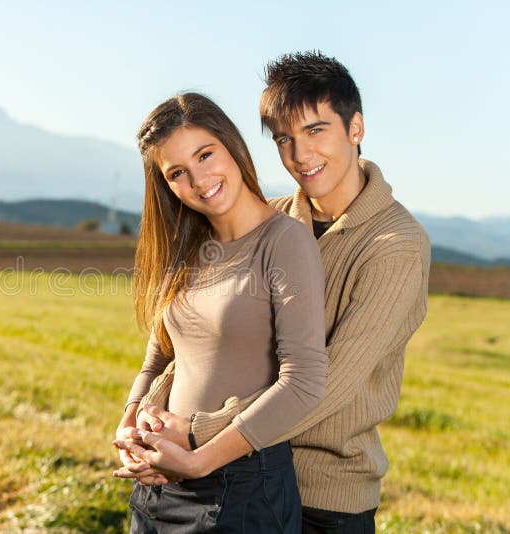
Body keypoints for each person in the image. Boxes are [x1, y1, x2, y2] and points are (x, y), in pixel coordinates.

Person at [114, 51, 431, 533]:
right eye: (285, 138)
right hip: (230, 470)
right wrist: (143, 421)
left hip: (322, 496)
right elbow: (195, 342)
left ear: (356, 128)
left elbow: (327, 383)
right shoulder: (266, 217)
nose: (300, 154)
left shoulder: (396, 246)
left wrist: (197, 434)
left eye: (316, 130)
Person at [113, 92, 329, 533]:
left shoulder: (284, 241)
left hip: (240, 488)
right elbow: (158, 357)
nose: (199, 179)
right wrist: (130, 425)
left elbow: (304, 382)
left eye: (205, 154)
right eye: (177, 173)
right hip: (159, 484)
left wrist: (196, 459)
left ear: (231, 144)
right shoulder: (187, 249)